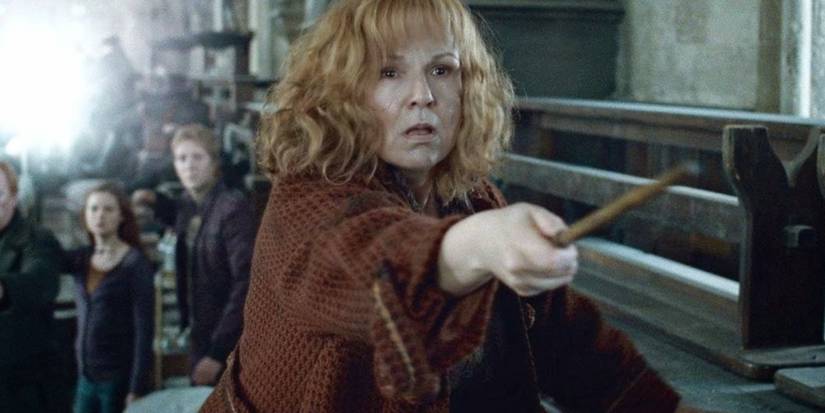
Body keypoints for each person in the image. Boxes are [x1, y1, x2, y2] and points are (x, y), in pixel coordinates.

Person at [201, 1, 707, 412]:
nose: (422, 95)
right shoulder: (305, 198)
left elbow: (571, 346)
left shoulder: (472, 200)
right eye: (389, 72)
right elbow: (369, 260)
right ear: (341, 93)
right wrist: (479, 244)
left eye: (441, 70)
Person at [168, 124, 255, 386]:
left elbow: (246, 283)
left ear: (214, 163)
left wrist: (218, 352)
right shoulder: (187, 205)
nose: (189, 166)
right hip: (200, 337)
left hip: (228, 343)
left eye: (198, 157)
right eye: (182, 158)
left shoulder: (232, 208)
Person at [67, 182, 155, 413]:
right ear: (85, 215)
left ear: (121, 216)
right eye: (94, 209)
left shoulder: (134, 263)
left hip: (117, 380)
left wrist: (136, 387)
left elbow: (144, 329)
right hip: (86, 376)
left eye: (108, 209)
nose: (100, 215)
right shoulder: (81, 259)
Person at [0, 161, 63, 413]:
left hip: (22, 385)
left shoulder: (37, 238)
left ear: (13, 198)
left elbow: (41, 283)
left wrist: (3, 288)